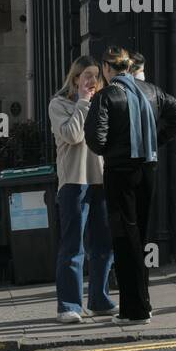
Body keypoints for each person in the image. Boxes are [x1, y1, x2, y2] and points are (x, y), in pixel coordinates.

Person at [84, 46, 176, 325]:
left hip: (120, 172)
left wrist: (114, 149)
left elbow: (95, 140)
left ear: (108, 68)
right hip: (148, 168)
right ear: (128, 66)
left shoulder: (106, 96)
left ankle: (134, 311)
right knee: (139, 237)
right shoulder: (151, 91)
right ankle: (144, 303)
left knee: (123, 238)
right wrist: (154, 140)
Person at [49, 57, 116, 323]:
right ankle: (69, 305)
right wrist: (83, 103)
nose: (92, 81)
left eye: (96, 76)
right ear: (75, 78)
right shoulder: (59, 104)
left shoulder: (101, 104)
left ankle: (99, 300)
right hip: (74, 182)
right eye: (86, 75)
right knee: (72, 246)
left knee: (103, 246)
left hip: (100, 180)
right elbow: (73, 136)